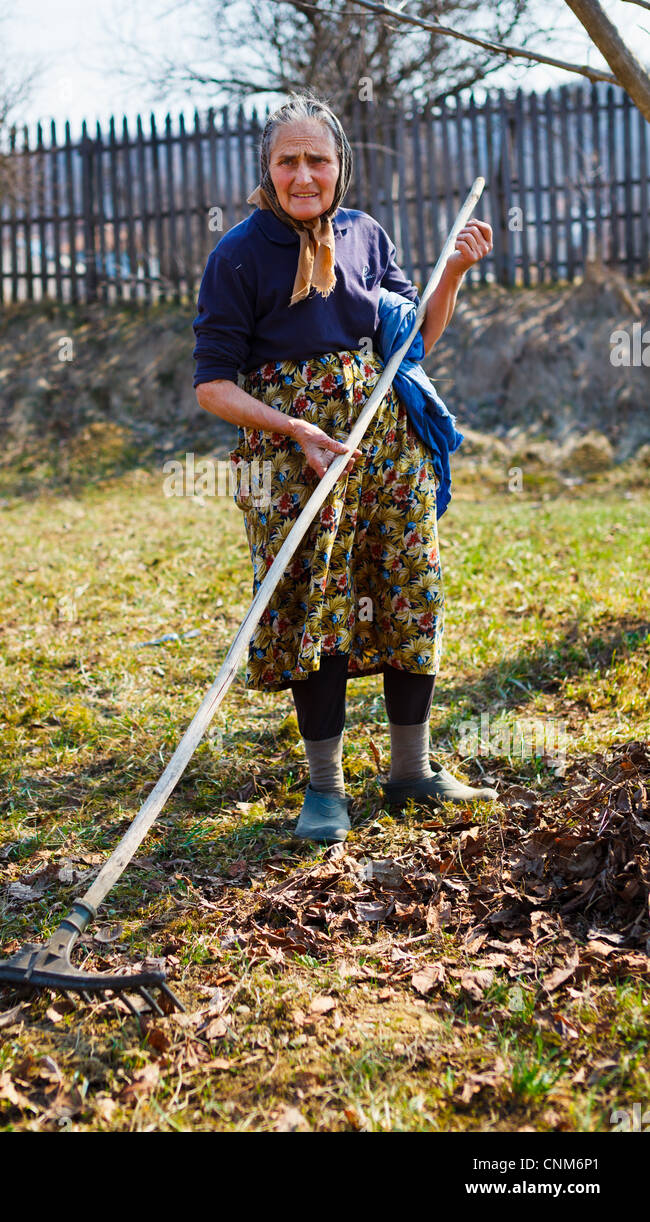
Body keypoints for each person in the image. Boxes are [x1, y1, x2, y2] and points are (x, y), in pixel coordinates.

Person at [192, 91, 497, 844]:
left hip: (386, 448)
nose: (304, 174)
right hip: (296, 460)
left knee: (407, 589)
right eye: (287, 160)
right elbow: (213, 385)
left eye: (317, 160)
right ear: (268, 169)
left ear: (339, 166)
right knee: (315, 603)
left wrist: (452, 271)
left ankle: (410, 773)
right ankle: (325, 789)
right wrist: (292, 424)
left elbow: (410, 337)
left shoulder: (364, 235)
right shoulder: (238, 253)